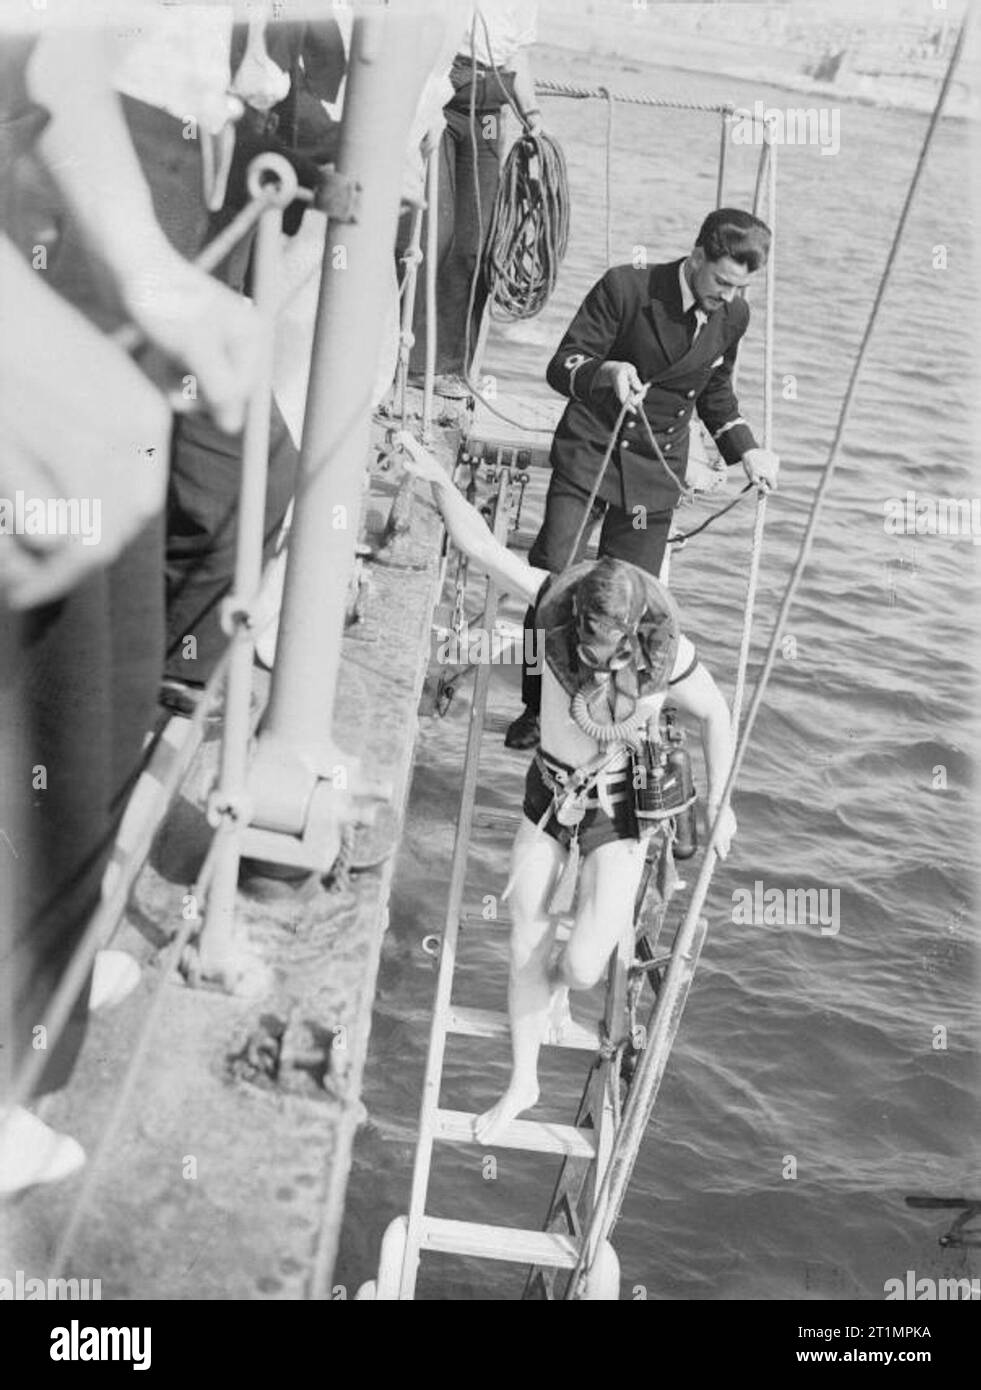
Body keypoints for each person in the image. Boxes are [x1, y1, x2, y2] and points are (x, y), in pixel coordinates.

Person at [0, 17, 260, 1196]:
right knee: (63, 687)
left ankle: (43, 993)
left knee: (91, 676)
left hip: (87, 175)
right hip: (52, 190)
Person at [398, 432, 737, 1144]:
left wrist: (720, 798)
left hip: (618, 809)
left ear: (632, 635)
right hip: (549, 796)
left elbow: (715, 713)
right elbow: (482, 550)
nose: (587, 656)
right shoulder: (559, 600)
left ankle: (561, 986)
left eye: (601, 648)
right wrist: (434, 475)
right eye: (582, 641)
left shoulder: (665, 652)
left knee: (582, 967)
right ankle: (521, 1080)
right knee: (523, 932)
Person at [505, 206, 781, 750]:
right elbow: (561, 366)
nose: (727, 295)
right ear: (697, 255)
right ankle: (536, 707)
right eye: (722, 281)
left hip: (654, 474)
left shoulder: (733, 316)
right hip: (592, 453)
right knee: (550, 584)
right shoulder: (626, 288)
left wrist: (746, 451)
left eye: (740, 287)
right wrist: (606, 372)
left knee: (629, 606)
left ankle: (604, 710)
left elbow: (715, 393)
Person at [398, 1, 541, 398]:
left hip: (489, 108)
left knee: (474, 244)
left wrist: (533, 116)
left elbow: (518, 55)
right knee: (432, 235)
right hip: (439, 94)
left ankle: (449, 366)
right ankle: (408, 357)